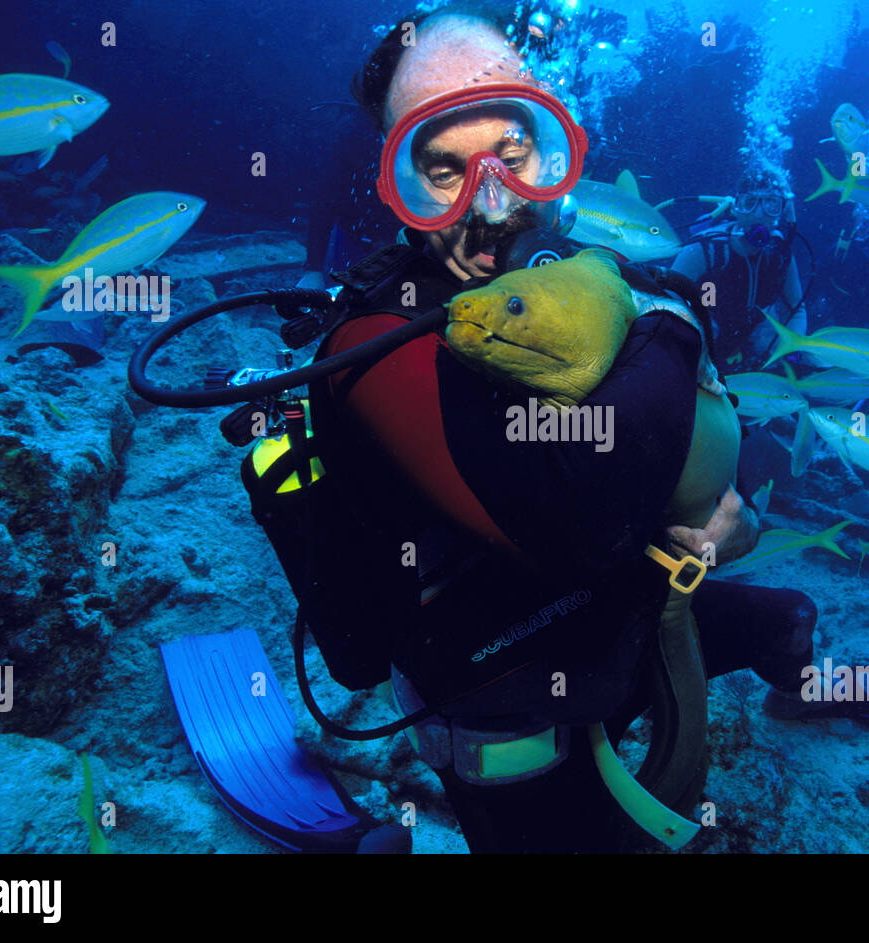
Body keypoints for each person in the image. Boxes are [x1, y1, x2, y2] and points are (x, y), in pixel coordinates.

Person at [296, 2, 821, 853]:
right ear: (393, 182)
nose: (491, 205)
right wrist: (672, 329)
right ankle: (383, 844)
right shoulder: (371, 345)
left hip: (620, 616)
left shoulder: (595, 277)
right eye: (441, 169)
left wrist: (735, 517)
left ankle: (803, 675)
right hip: (507, 710)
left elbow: (719, 441)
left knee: (785, 616)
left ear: (556, 150)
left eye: (513, 154)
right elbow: (579, 514)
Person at [670, 172, 808, 373]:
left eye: (771, 204)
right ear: (735, 208)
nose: (759, 214)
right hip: (698, 346)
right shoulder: (705, 249)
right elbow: (665, 300)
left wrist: (792, 352)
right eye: (749, 202)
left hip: (746, 345)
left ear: (783, 212)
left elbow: (796, 309)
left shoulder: (781, 256)